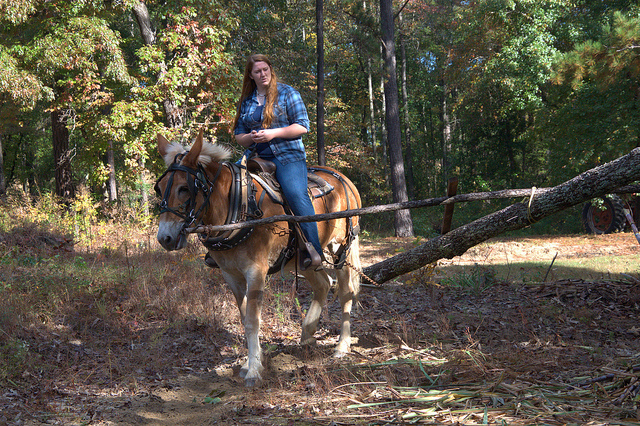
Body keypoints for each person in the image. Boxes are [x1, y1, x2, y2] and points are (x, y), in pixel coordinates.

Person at [232, 54, 323, 270]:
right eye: (257, 71)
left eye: (265, 69)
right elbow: (238, 134)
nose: (262, 74)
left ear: (270, 70)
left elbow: (302, 126)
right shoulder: (247, 100)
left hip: (287, 155)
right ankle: (223, 244)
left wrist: (272, 134)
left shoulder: (287, 92)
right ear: (250, 75)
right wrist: (251, 138)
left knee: (294, 193)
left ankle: (314, 251)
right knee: (227, 184)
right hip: (255, 155)